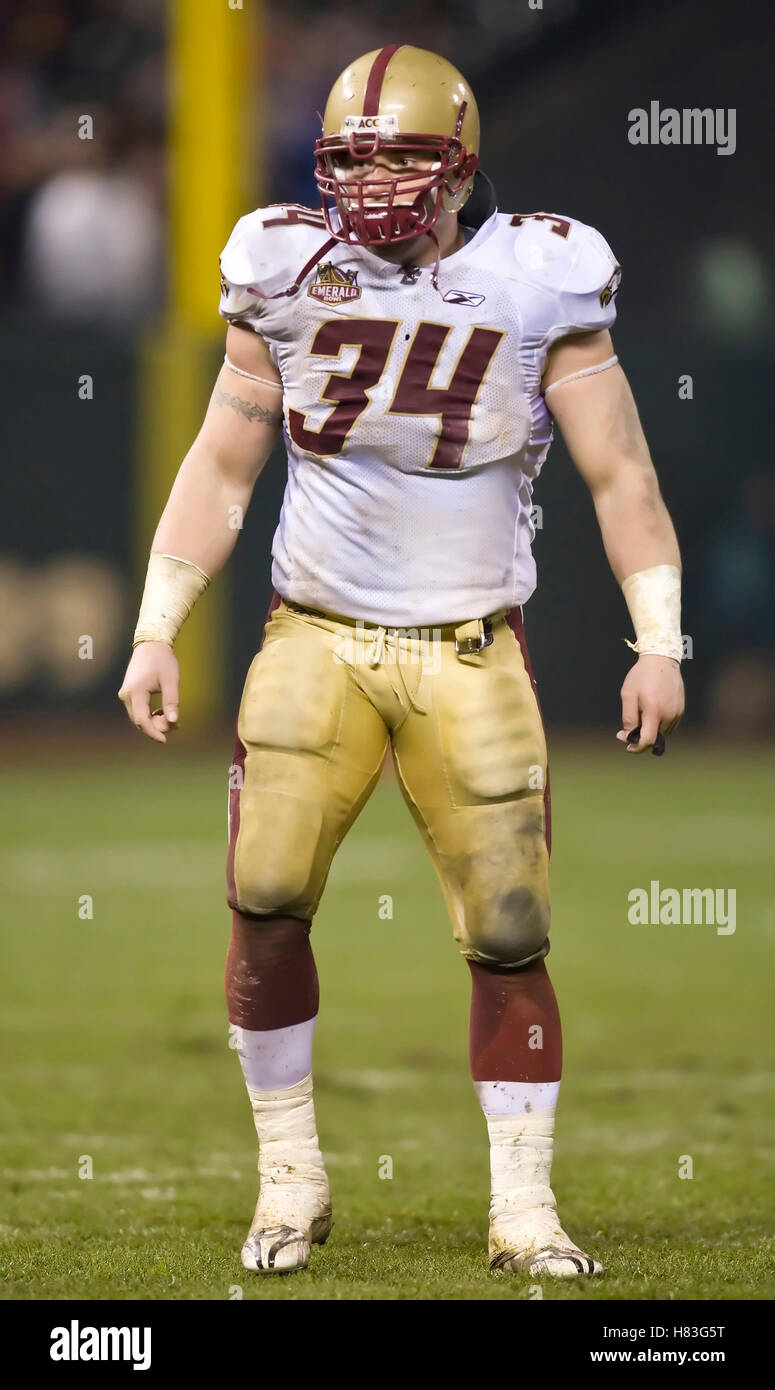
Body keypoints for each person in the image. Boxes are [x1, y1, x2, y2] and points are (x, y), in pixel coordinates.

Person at [119, 45, 684, 1278]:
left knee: (510, 930)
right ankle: (289, 1182)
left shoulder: (538, 274)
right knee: (264, 899)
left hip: (469, 647)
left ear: (462, 167)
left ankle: (524, 1209)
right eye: (350, 158)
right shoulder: (281, 265)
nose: (371, 184)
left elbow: (619, 473)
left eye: (401, 158)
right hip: (313, 634)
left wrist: (659, 642)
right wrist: (160, 623)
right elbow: (224, 461)